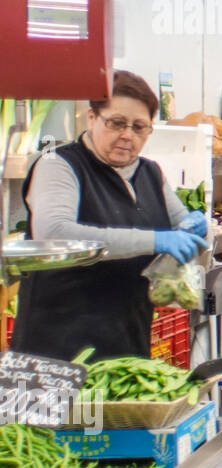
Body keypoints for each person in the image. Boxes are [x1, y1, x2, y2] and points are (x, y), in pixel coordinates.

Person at [11, 71, 208, 361]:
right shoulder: (59, 164)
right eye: (117, 123)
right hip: (57, 350)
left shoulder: (150, 173)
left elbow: (183, 225)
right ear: (92, 118)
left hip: (126, 344)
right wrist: (154, 240)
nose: (128, 135)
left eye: (140, 127)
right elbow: (54, 233)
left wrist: (198, 225)